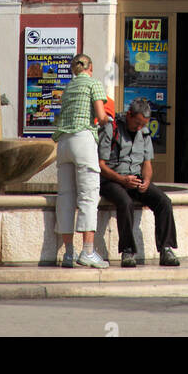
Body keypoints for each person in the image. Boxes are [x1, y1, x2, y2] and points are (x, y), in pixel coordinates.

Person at [98, 98, 180, 267]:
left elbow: (147, 164)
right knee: (125, 202)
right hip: (113, 179)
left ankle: (166, 248)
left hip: (134, 178)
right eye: (136, 123)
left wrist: (146, 181)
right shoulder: (111, 128)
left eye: (142, 124)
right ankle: (127, 251)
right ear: (129, 115)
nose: (139, 127)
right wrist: (122, 180)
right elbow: (100, 165)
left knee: (163, 201)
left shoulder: (144, 132)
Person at [53, 54, 109, 269]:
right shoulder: (93, 83)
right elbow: (100, 114)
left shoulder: (67, 88)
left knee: (65, 196)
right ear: (90, 67)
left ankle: (68, 253)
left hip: (64, 143)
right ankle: (87, 251)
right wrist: (108, 120)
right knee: (88, 195)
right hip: (83, 140)